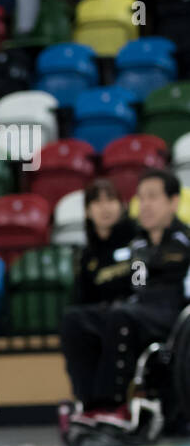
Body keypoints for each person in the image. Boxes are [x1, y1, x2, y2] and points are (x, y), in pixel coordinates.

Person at [61, 170, 190, 430]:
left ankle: (115, 404)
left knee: (122, 316)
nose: (145, 205)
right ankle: (89, 403)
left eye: (153, 197)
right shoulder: (136, 244)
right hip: (138, 308)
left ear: (173, 202)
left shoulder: (184, 242)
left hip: (172, 315)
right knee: (75, 319)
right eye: (141, 198)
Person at [73, 178, 137, 306]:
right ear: (87, 211)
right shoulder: (87, 255)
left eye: (110, 199)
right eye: (97, 201)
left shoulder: (137, 239)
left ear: (122, 206)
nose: (105, 207)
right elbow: (84, 301)